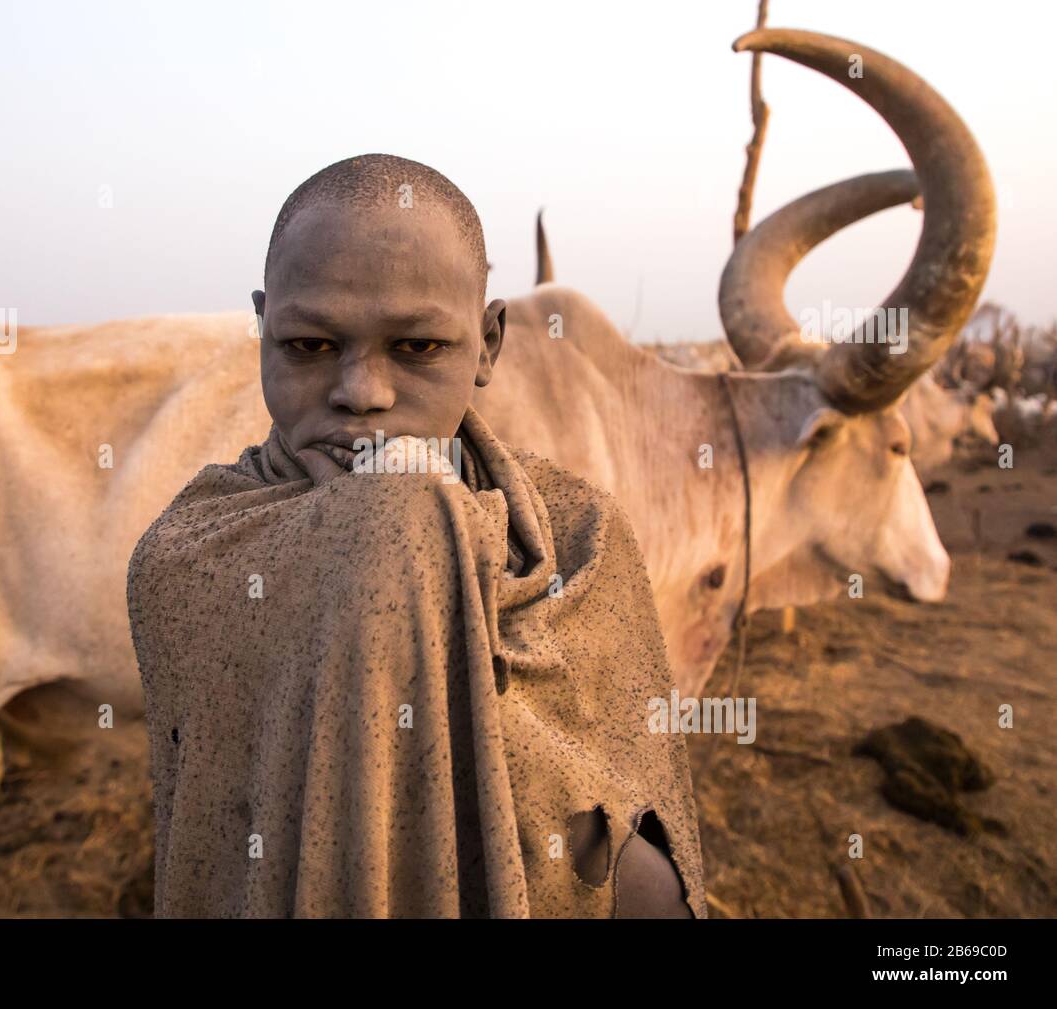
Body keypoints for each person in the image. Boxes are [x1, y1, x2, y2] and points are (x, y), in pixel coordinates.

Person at [126, 153, 705, 918]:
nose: (361, 393)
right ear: (264, 330)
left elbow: (648, 866)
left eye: (418, 347)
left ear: (489, 344)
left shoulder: (580, 532)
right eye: (309, 345)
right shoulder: (189, 553)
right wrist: (389, 526)